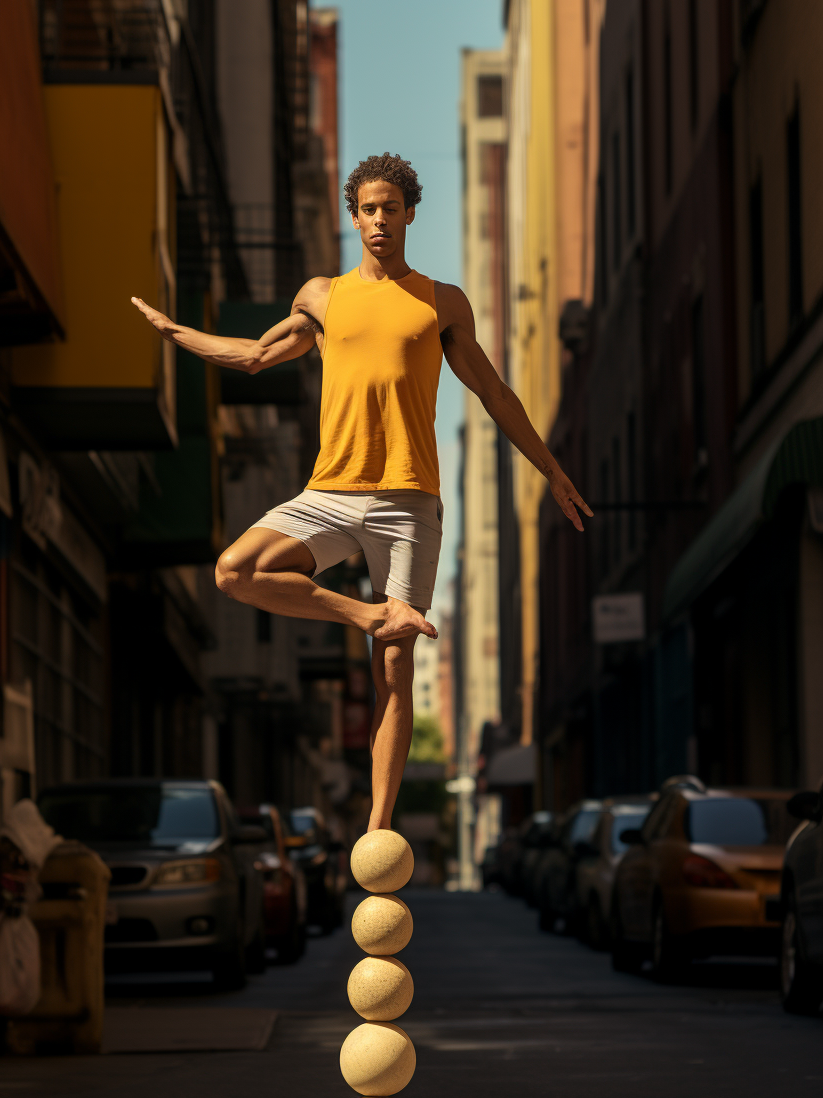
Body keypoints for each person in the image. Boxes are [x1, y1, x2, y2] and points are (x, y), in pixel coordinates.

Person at [132, 152, 591, 835]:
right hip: (332, 491)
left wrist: (551, 468)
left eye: (391, 207)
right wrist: (176, 334)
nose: (380, 219)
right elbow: (257, 354)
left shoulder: (441, 302)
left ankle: (378, 827)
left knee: (395, 671)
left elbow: (494, 393)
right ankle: (368, 615)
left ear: (409, 213)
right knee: (235, 571)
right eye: (368, 209)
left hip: (409, 502)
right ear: (354, 218)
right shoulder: (321, 297)